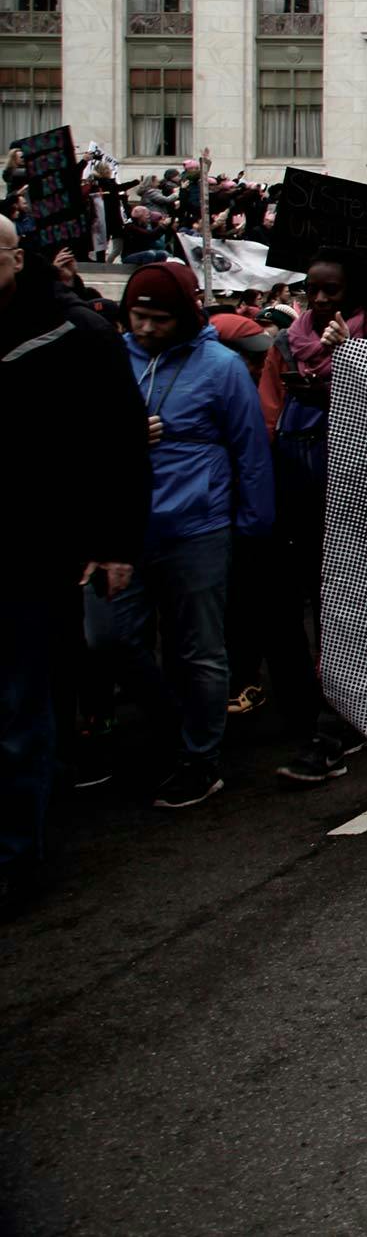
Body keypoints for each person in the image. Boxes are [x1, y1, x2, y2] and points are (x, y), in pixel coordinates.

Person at [83, 263, 275, 810]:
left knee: (199, 651)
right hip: (121, 532)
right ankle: (173, 726)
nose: (145, 328)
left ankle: (200, 758)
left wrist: (253, 526)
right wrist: (116, 436)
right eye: (137, 316)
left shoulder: (220, 368)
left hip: (198, 526)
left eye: (159, 318)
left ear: (184, 316)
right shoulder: (111, 359)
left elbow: (249, 452)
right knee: (110, 640)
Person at [0, 215, 150, 909]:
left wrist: (117, 541)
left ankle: (15, 854)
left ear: (14, 258)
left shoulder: (75, 334)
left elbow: (119, 442)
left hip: (33, 548)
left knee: (19, 706)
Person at [261, 248, 367, 787]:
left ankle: (331, 730)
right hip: (298, 496)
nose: (318, 300)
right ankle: (333, 711)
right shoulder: (282, 348)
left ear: (352, 294)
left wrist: (354, 361)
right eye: (310, 290)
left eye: (331, 291)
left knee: (347, 611)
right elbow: (268, 419)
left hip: (360, 501)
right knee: (311, 608)